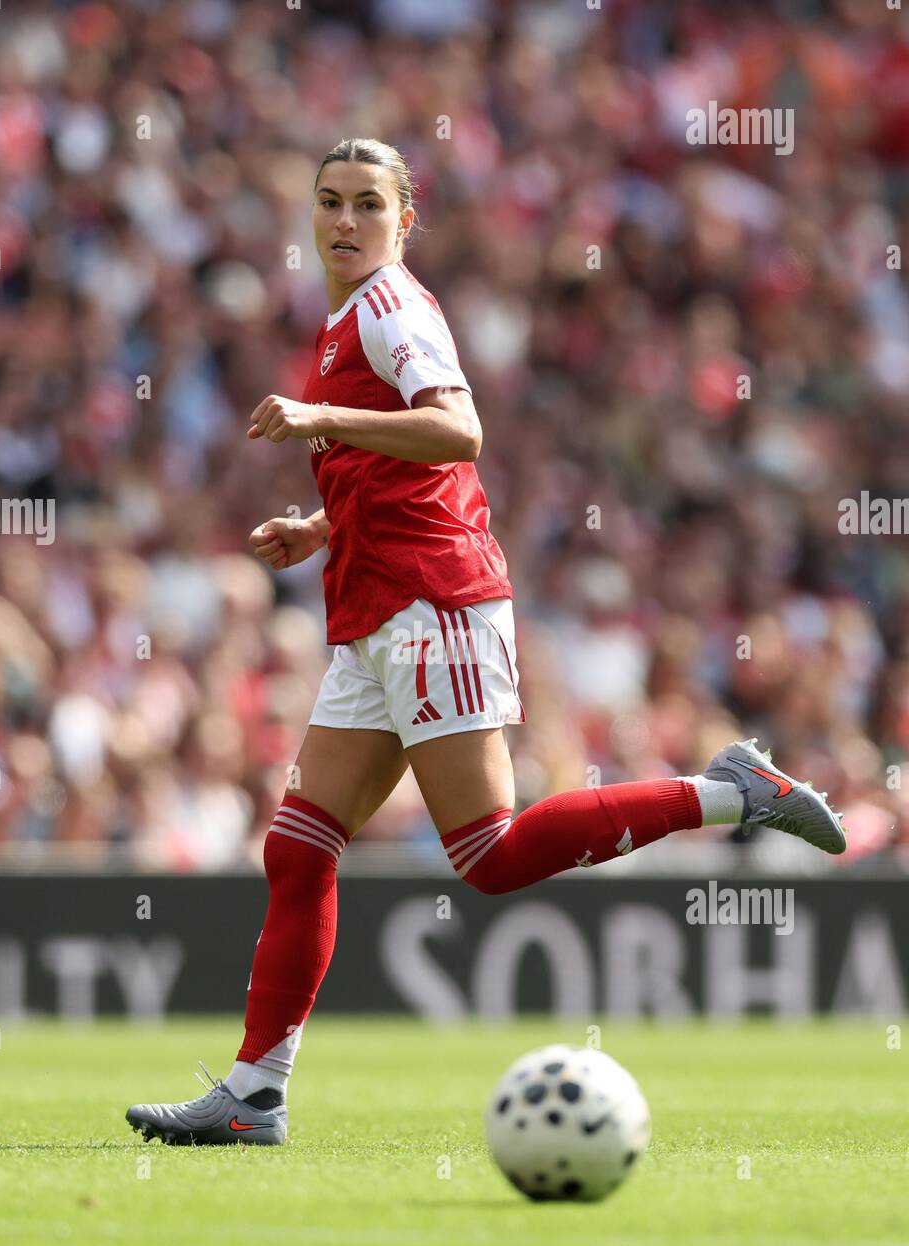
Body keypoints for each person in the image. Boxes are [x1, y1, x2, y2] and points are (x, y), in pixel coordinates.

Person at [126, 138, 846, 1147]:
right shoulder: (346, 317)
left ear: (403, 219)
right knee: (297, 848)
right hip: (373, 605)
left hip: (434, 604)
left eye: (367, 204)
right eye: (329, 203)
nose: (343, 222)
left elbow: (457, 430)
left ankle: (730, 792)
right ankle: (254, 1094)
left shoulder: (388, 307)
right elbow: (398, 463)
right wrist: (321, 524)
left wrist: (317, 418)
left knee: (488, 855)